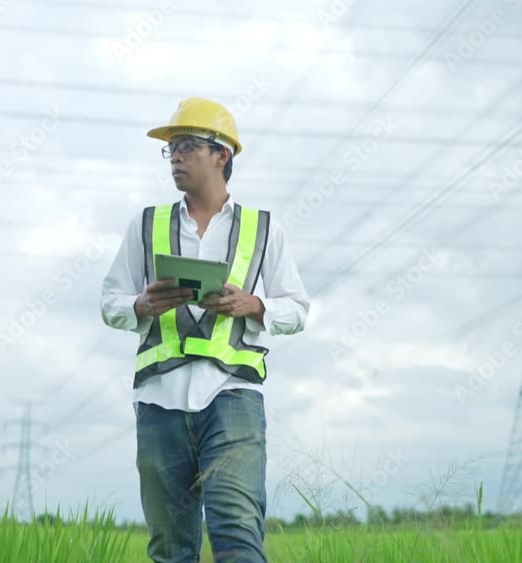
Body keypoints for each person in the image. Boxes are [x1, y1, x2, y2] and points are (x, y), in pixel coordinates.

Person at [100, 97, 310, 563]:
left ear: (222, 155)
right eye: (170, 149)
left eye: (187, 146)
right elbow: (109, 303)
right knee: (171, 550)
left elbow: (297, 309)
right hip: (159, 400)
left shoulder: (264, 228)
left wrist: (252, 304)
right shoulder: (146, 224)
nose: (175, 156)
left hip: (232, 395)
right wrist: (141, 303)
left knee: (237, 538)